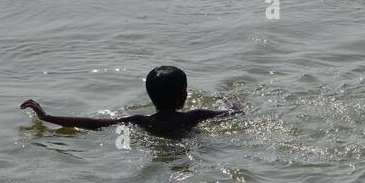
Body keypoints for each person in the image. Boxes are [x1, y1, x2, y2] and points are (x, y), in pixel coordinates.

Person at [20, 66, 241, 137]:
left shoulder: (141, 121)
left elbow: (93, 123)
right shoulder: (195, 116)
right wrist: (230, 97)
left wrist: (46, 116)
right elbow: (236, 114)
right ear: (182, 95)